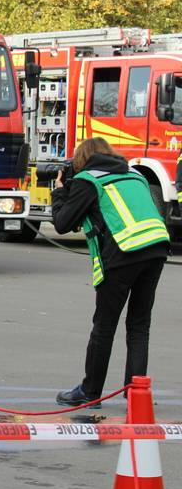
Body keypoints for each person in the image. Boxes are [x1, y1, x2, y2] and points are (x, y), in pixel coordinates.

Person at [51, 137, 169, 407]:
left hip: (124, 252)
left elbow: (61, 223)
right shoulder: (135, 174)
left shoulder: (88, 180)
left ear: (82, 160)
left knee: (104, 326)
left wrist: (59, 191)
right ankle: (136, 393)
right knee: (139, 326)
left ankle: (90, 392)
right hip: (156, 248)